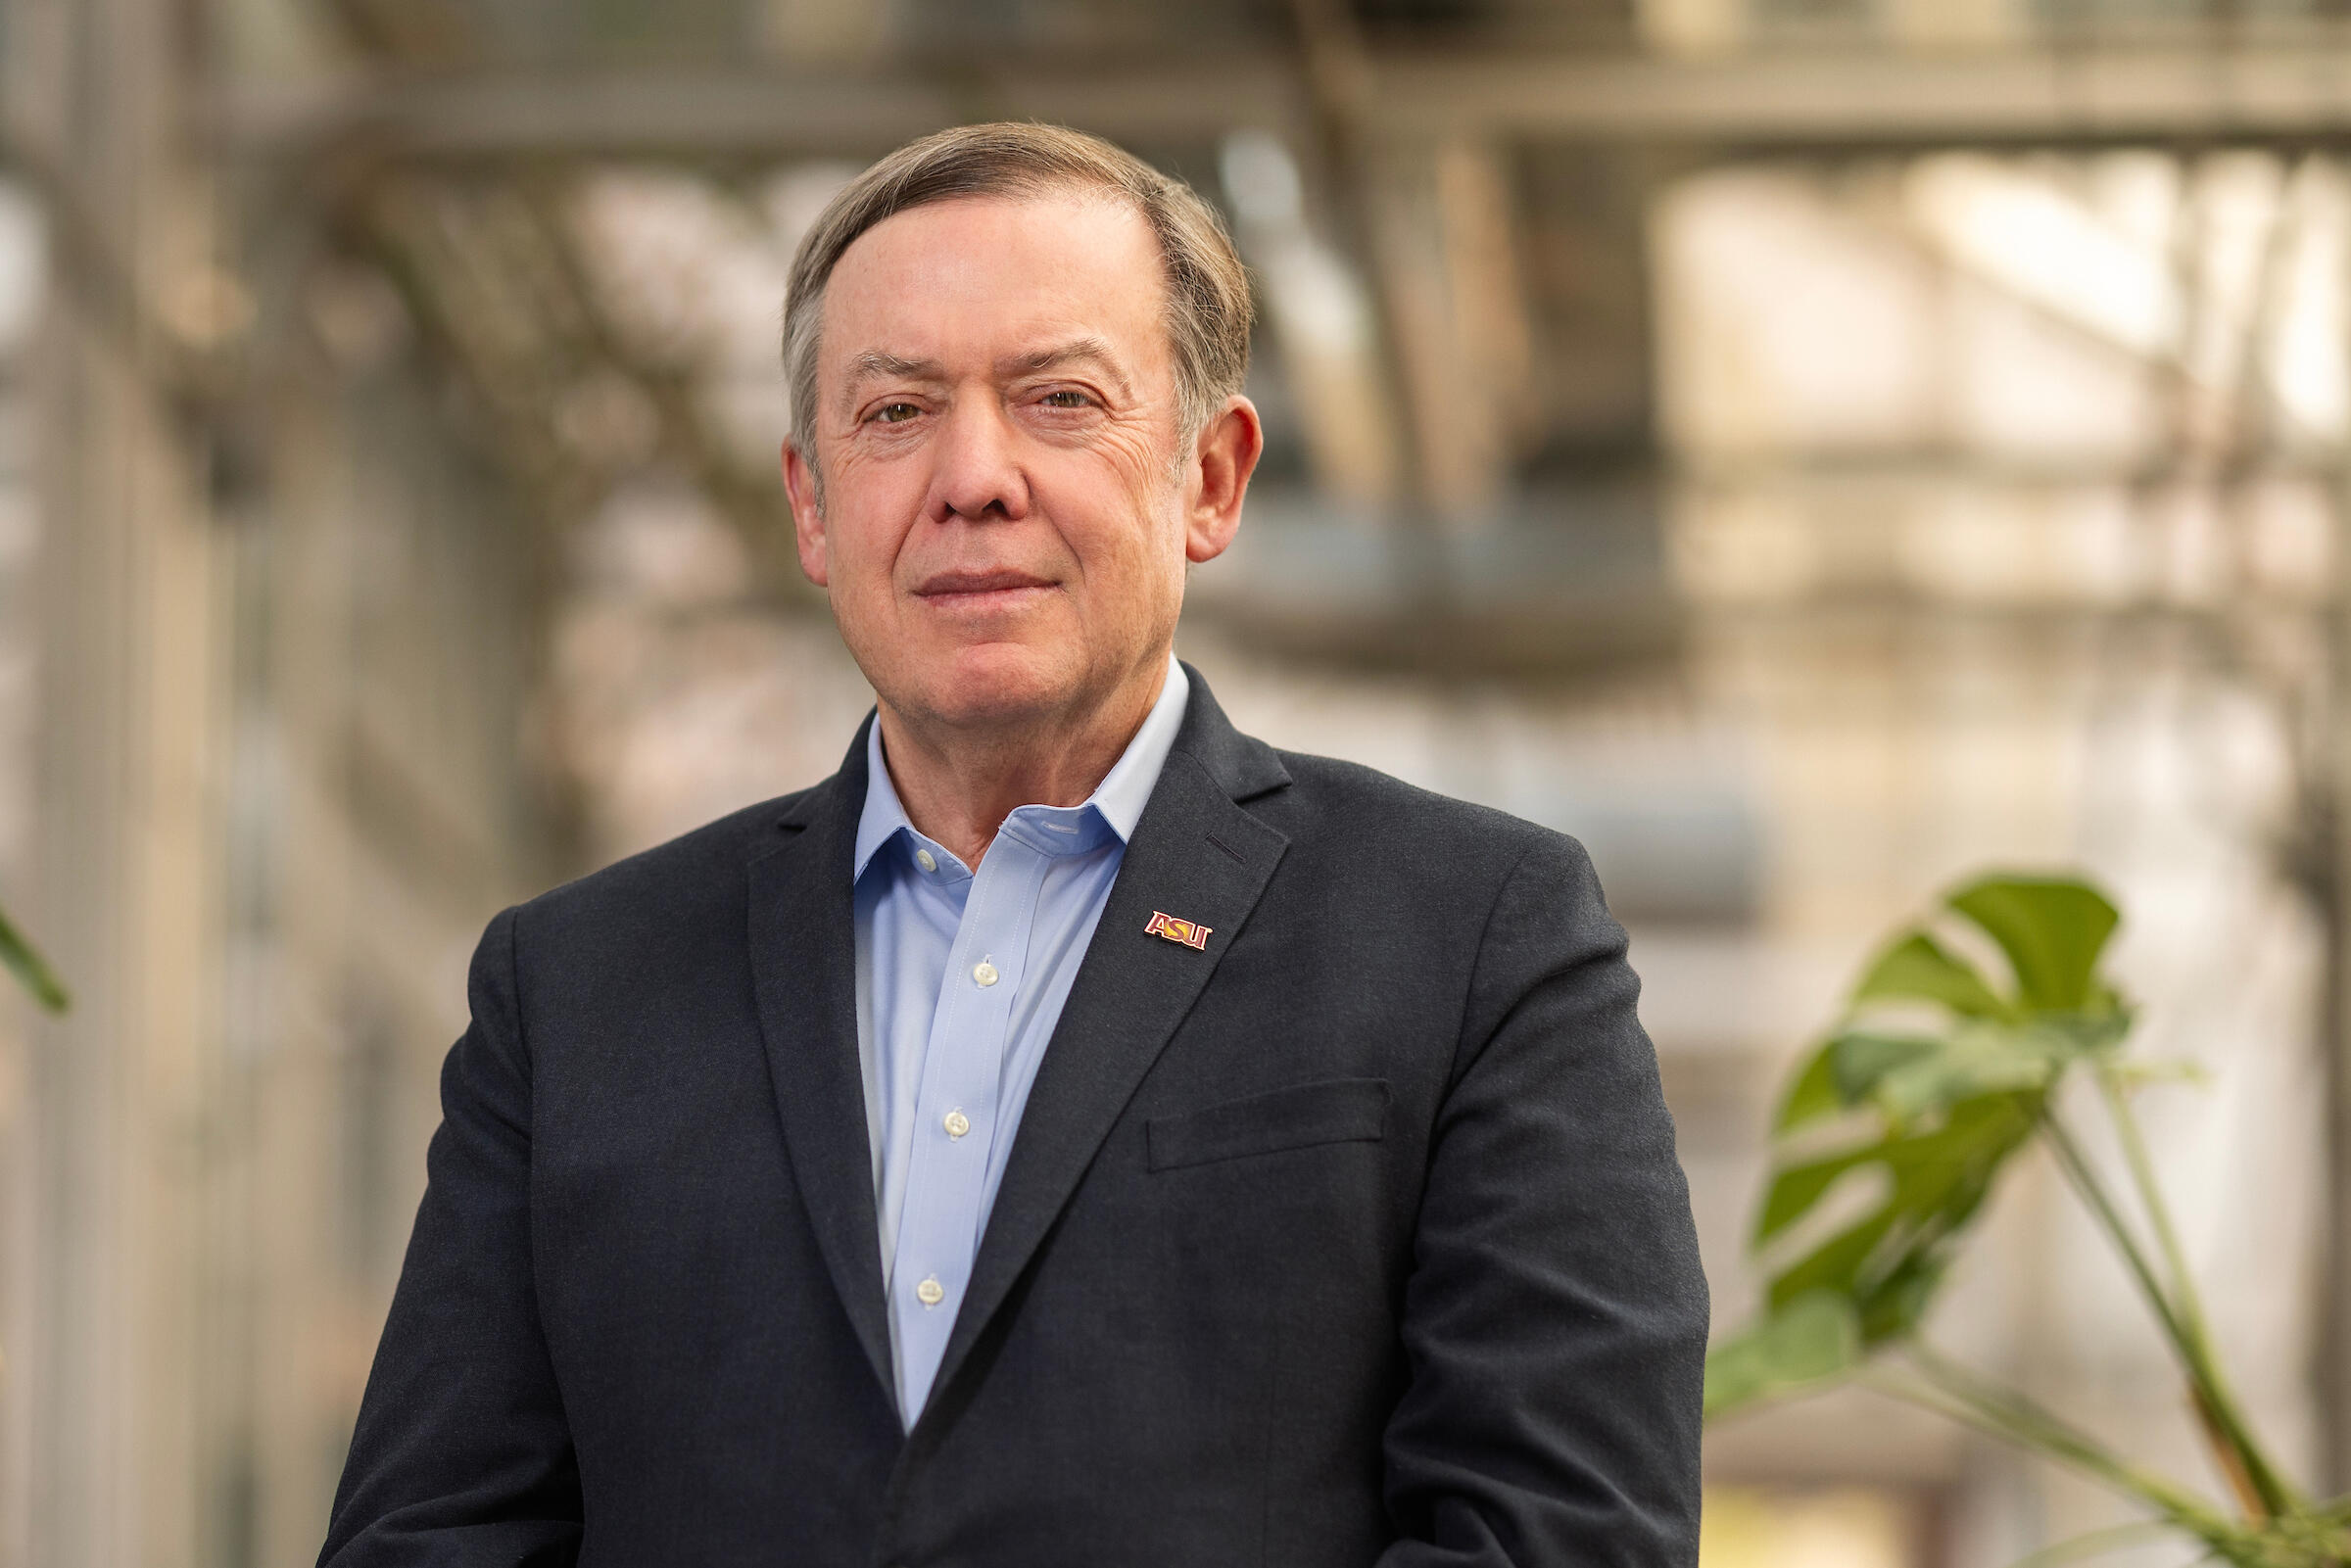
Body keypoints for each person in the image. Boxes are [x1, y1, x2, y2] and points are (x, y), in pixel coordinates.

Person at [319, 121, 1706, 1568]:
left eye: (1058, 398)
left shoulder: (1472, 939)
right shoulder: (576, 992)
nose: (973, 475)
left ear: (1211, 480)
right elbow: (433, 1537)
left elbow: (1561, 1535)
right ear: (811, 500)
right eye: (897, 412)